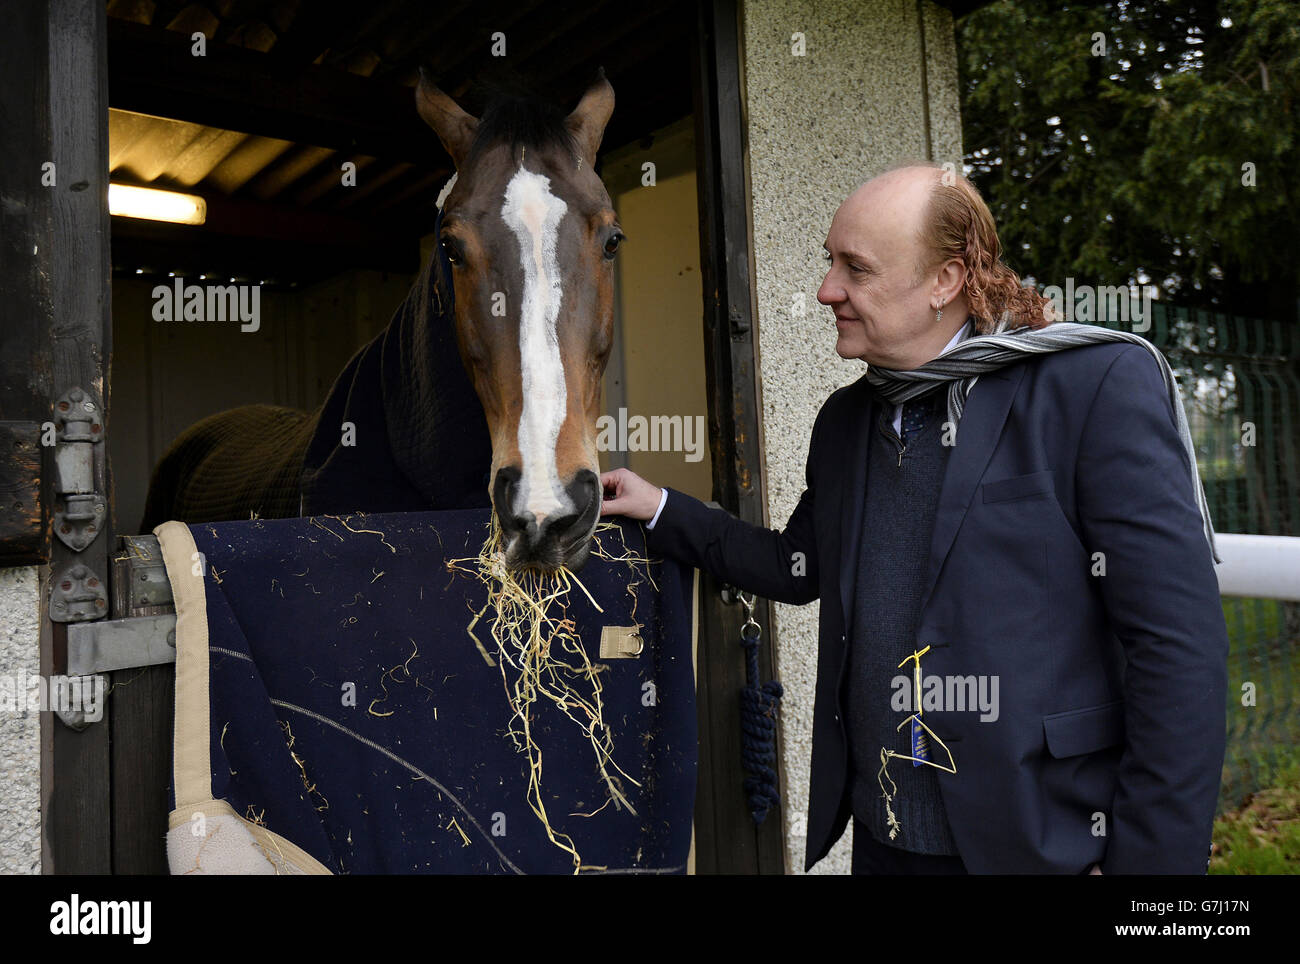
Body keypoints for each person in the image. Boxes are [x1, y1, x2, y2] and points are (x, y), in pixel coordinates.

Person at [599, 162, 1228, 874]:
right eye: (828, 262)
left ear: (945, 282)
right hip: (885, 839)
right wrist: (661, 509)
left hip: (1040, 846)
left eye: (855, 269)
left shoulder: (1089, 387)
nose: (826, 290)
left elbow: (1178, 654)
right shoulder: (845, 421)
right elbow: (797, 565)